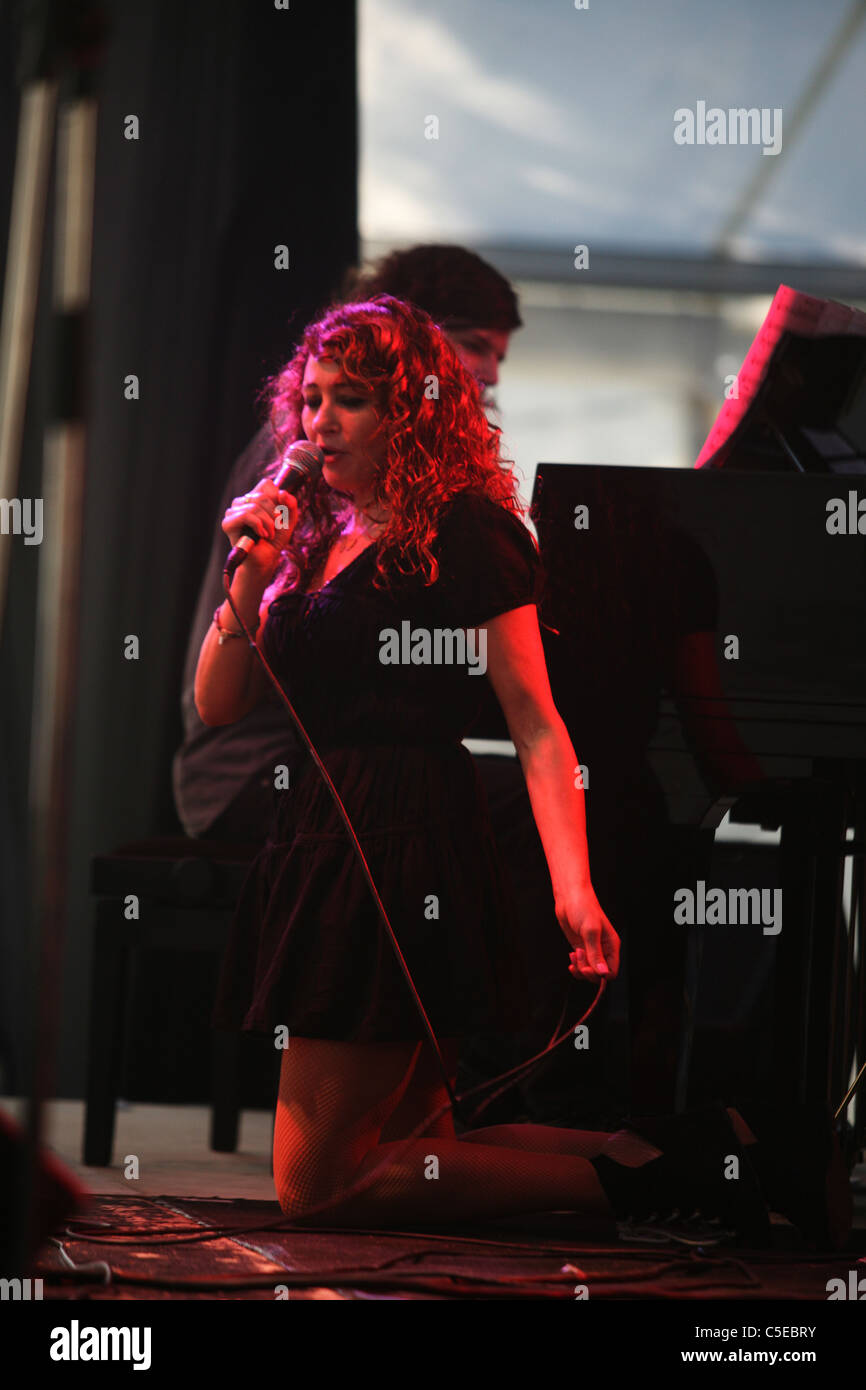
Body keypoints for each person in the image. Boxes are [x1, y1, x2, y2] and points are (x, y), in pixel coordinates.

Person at [193, 294, 805, 1236]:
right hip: (319, 835)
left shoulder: (467, 533)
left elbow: (537, 725)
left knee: (319, 1186)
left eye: (349, 399)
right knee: (423, 1134)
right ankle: (715, 1149)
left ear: (413, 410)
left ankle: (649, 1183)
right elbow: (220, 702)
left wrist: (575, 886)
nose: (320, 423)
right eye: (310, 400)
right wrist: (247, 566)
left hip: (404, 837)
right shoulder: (309, 535)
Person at [173, 244, 520, 843]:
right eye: (477, 345)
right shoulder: (317, 456)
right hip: (261, 767)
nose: (490, 373)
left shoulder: (406, 475)